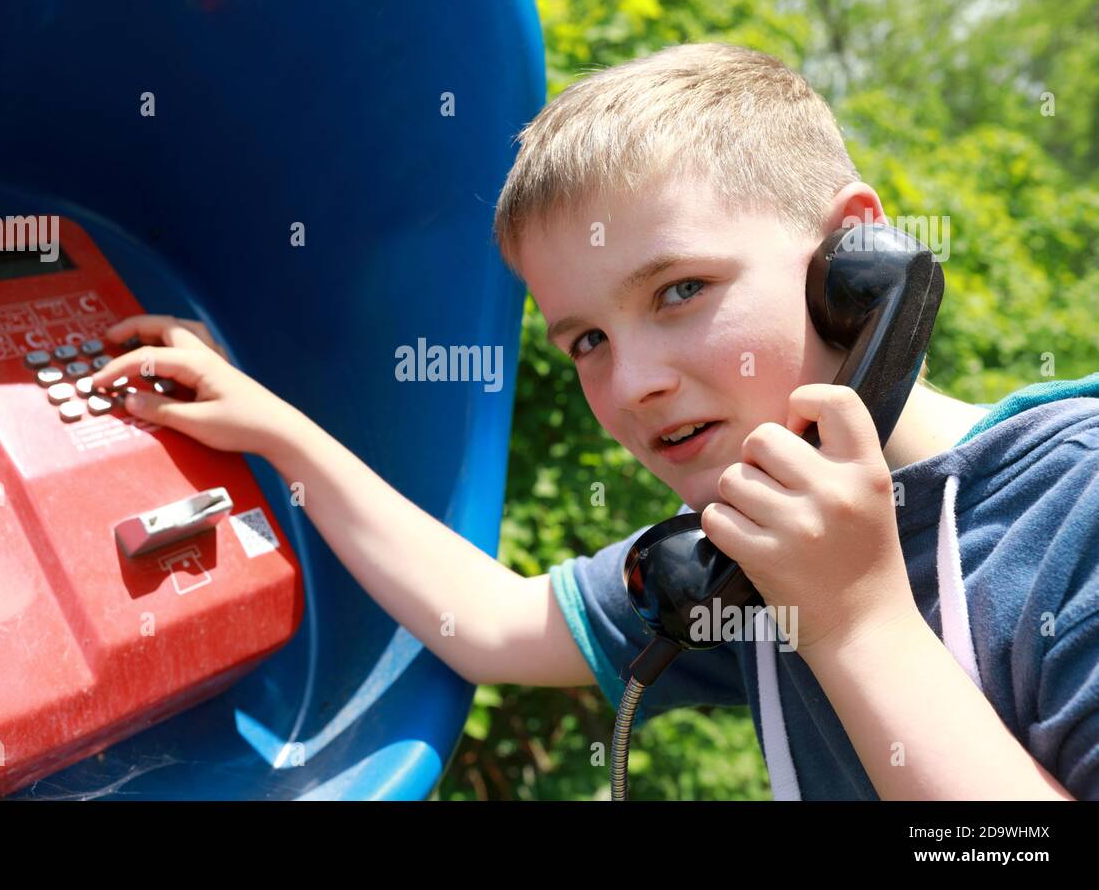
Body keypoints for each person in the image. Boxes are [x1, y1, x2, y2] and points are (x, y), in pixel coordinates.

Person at [90, 43, 1099, 800]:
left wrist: (855, 617)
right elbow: (490, 625)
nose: (633, 385)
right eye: (585, 341)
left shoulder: (1071, 507)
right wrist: (274, 430)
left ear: (851, 255)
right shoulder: (744, 549)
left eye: (678, 290)